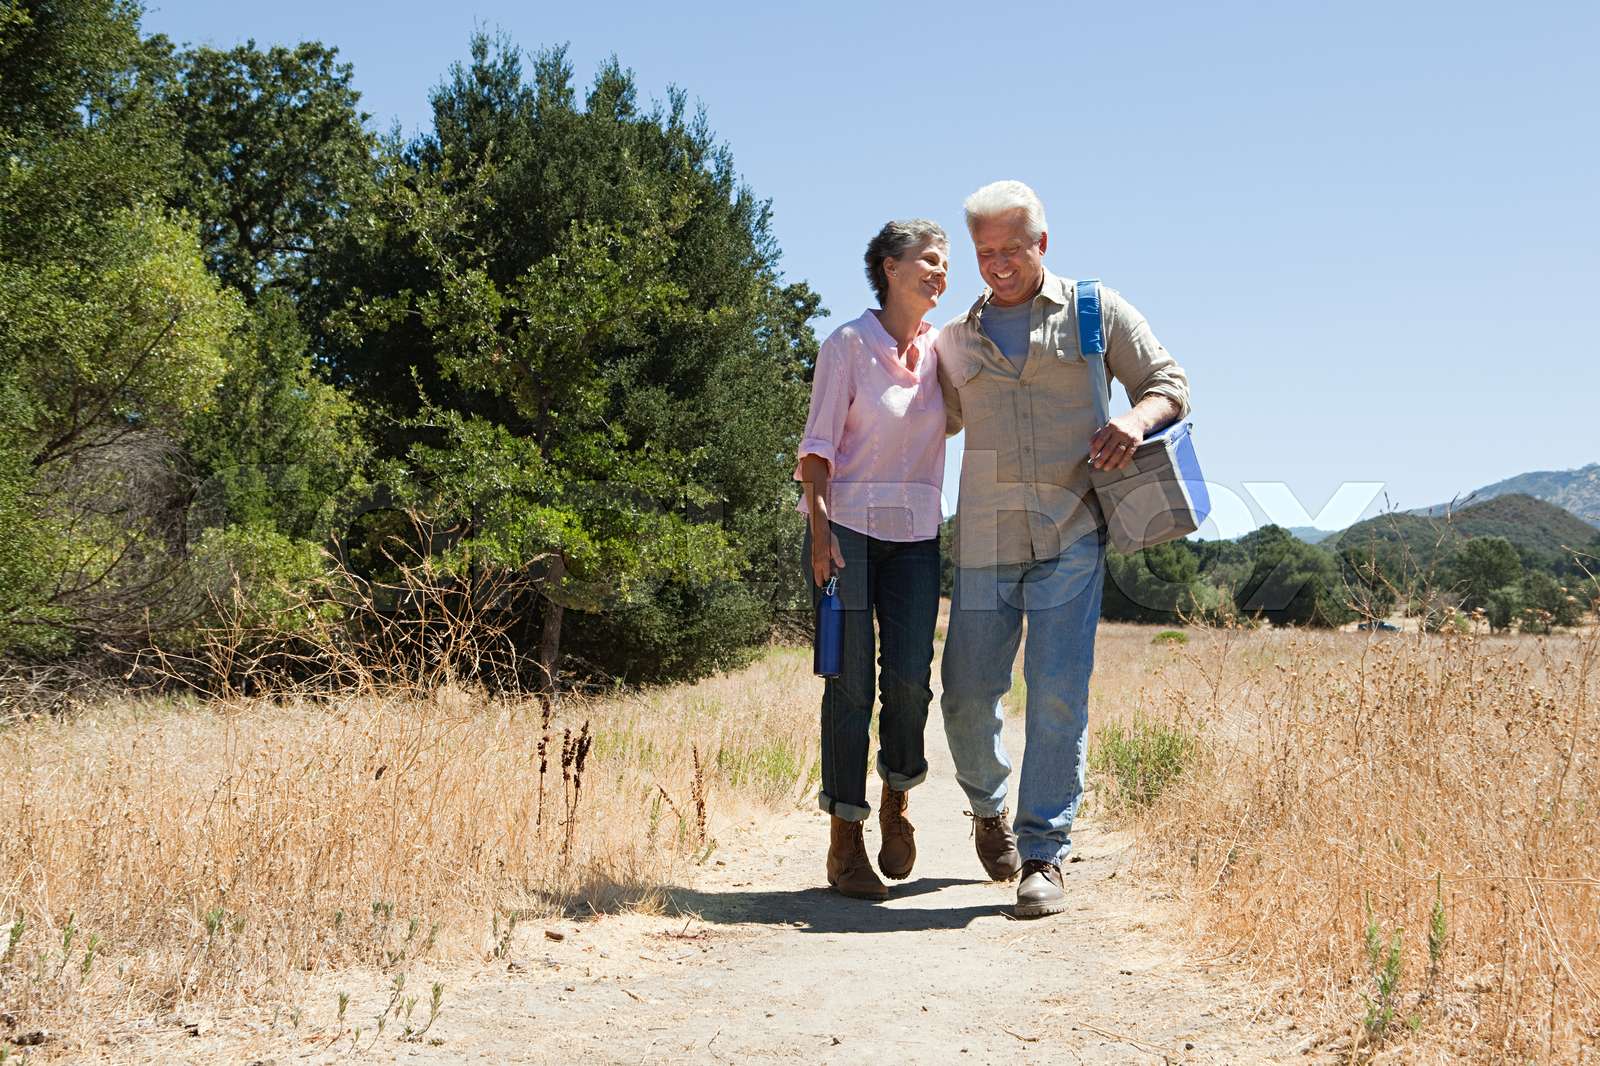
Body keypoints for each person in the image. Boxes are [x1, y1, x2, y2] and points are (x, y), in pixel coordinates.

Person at [936, 181, 1190, 917]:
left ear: (1042, 243)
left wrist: (1137, 421)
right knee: (966, 695)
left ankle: (1042, 853)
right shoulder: (957, 338)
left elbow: (1170, 383)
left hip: (1073, 531)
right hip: (984, 537)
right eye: (985, 252)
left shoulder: (1094, 311)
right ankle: (988, 809)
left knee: (1055, 696)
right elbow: (927, 420)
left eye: (1012, 249)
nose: (999, 264)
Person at [795, 219, 950, 900]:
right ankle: (844, 841)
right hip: (850, 533)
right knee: (850, 684)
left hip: (917, 535)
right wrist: (820, 532)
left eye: (946, 264)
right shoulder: (848, 345)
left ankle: (897, 801)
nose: (941, 273)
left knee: (912, 682)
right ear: (890, 267)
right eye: (929, 261)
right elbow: (816, 449)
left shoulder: (946, 351)